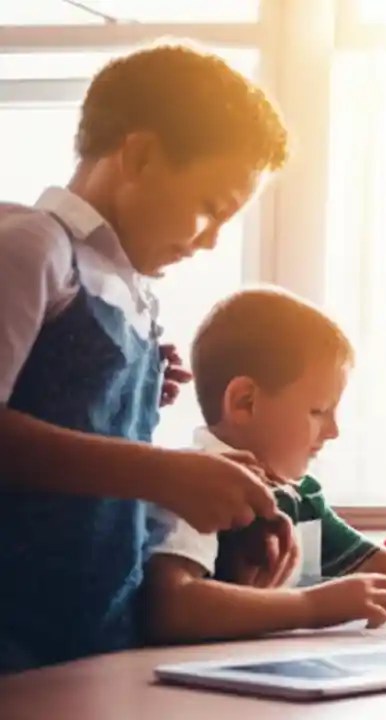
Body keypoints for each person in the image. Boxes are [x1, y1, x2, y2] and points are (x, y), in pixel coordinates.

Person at [0, 44, 291, 671]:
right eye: (211, 207)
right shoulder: (29, 246)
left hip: (93, 639)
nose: (211, 240)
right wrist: (161, 472)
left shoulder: (128, 291)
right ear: (141, 155)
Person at [144, 288, 386, 641]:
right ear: (245, 402)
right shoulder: (196, 485)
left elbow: (376, 563)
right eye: (318, 411)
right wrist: (309, 606)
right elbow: (171, 605)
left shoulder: (298, 495)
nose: (333, 431)